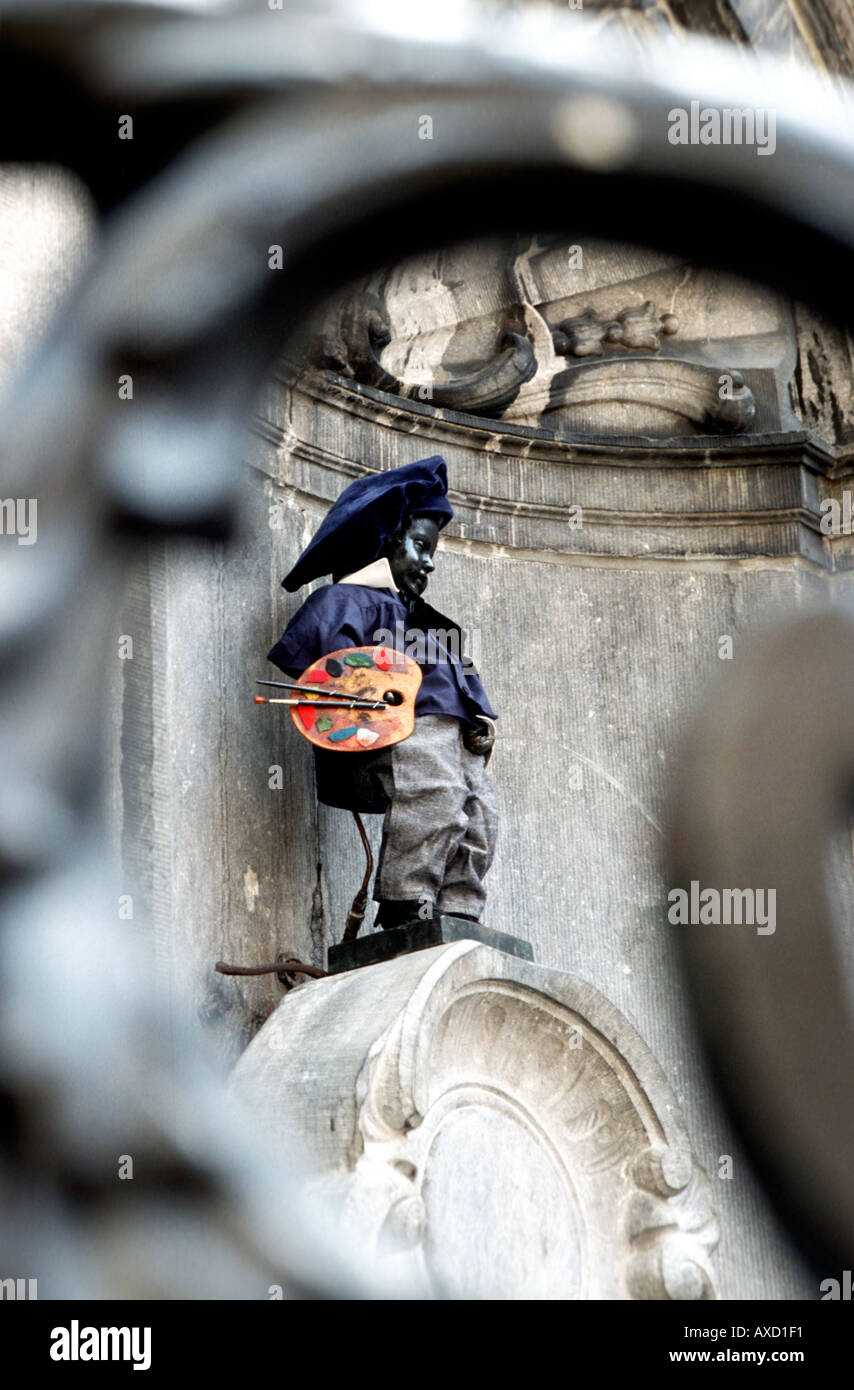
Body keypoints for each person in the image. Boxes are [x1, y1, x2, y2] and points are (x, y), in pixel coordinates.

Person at [268, 455, 498, 930]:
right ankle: (405, 903)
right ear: (381, 543)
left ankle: (459, 908)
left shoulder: (429, 625)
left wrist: (480, 728)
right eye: (419, 545)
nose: (430, 562)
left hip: (452, 740)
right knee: (434, 794)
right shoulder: (343, 602)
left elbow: (460, 688)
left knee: (479, 814)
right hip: (399, 737)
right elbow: (329, 680)